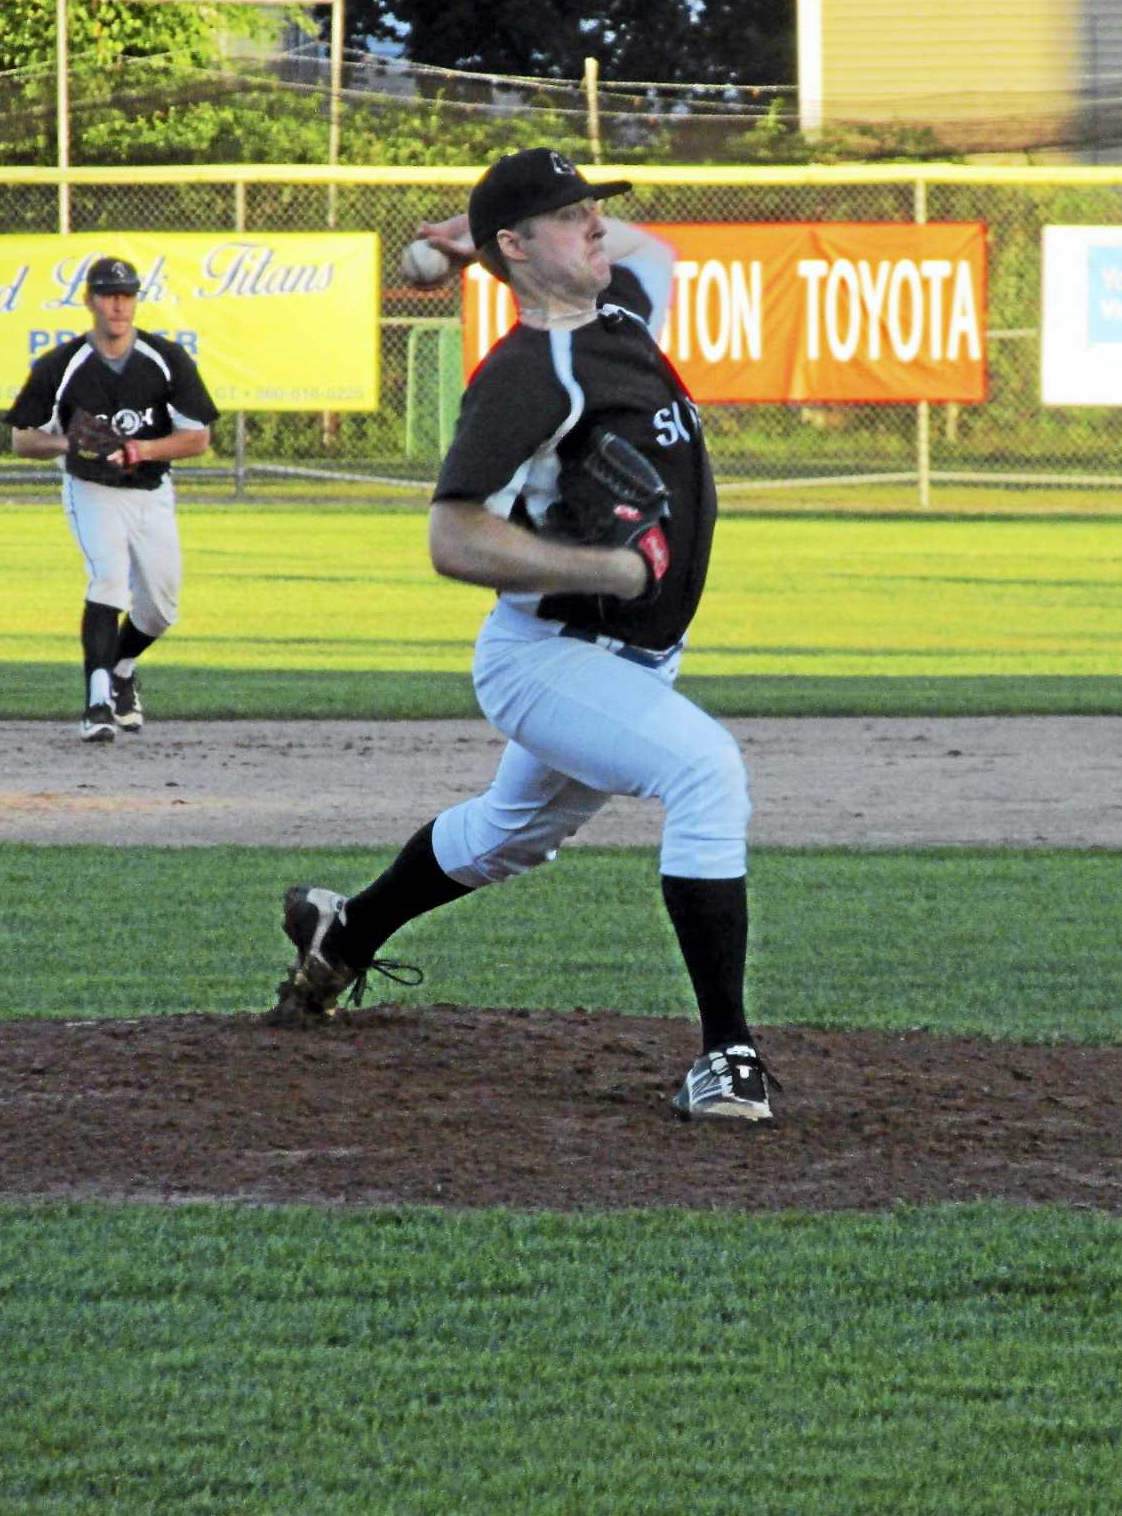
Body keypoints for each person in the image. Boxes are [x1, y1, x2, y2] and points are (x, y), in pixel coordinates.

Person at [266, 148, 775, 1122]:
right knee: (705, 771)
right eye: (570, 216)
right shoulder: (525, 376)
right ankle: (727, 1054)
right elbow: (452, 536)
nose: (596, 225)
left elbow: (648, 249)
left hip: (630, 662)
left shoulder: (620, 317)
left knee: (505, 834)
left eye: (592, 209)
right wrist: (605, 569)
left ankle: (344, 934)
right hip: (547, 660)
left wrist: (479, 242)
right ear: (521, 246)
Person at [5, 255, 220, 740]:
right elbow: (23, 440)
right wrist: (69, 443)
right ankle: (97, 703)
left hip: (151, 492)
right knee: (108, 581)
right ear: (90, 301)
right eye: (107, 295)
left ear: (136, 301)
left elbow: (198, 438)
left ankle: (121, 669)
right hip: (92, 490)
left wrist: (142, 449)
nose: (118, 305)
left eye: (126, 295)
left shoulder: (165, 359)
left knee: (160, 610)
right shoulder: (61, 365)